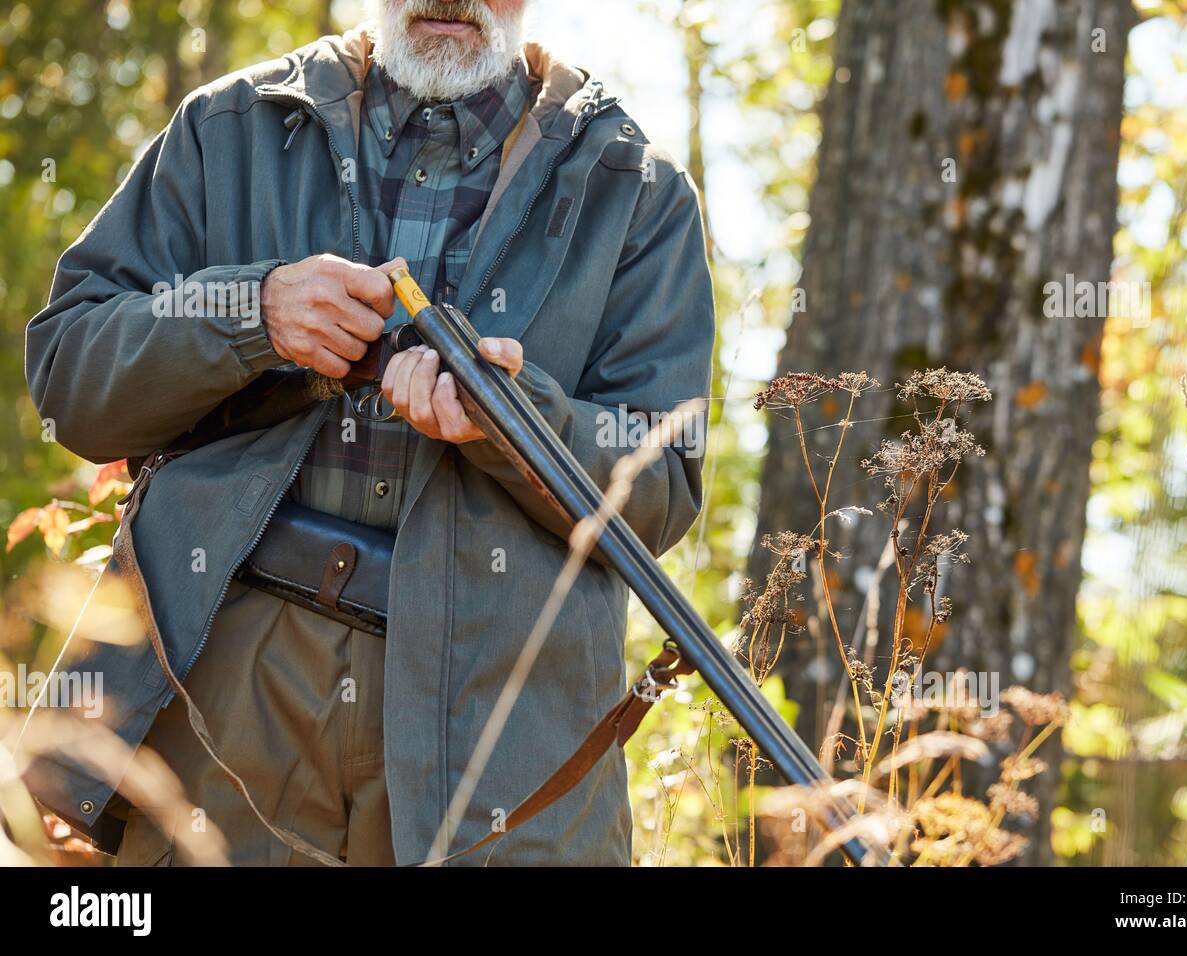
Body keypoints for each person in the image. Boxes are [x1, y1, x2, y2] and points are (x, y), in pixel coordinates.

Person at [22, 0, 713, 866]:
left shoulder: (640, 192)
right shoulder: (223, 128)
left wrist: (509, 418)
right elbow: (71, 380)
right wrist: (251, 312)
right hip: (223, 691)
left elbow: (658, 497)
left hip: (498, 731)